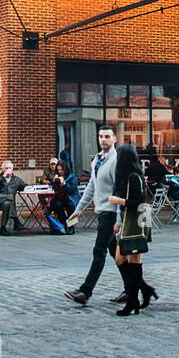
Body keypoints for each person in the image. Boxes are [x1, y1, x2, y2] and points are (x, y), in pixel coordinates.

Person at [64, 124, 120, 306]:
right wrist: (79, 208)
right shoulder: (97, 160)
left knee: (99, 251)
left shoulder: (116, 161)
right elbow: (91, 188)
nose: (103, 140)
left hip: (110, 213)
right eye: (100, 136)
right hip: (101, 211)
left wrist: (119, 219)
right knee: (116, 253)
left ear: (114, 139)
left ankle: (85, 291)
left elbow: (120, 191)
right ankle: (134, 287)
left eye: (107, 136)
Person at [107, 142, 157, 315]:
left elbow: (138, 201)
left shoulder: (134, 177)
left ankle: (133, 302)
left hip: (136, 222)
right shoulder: (128, 176)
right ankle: (144, 290)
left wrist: (117, 201)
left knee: (134, 262)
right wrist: (119, 221)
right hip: (129, 221)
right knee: (120, 259)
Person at [0, 160, 27, 236]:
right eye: (6, 168)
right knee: (10, 197)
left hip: (7, 204)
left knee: (7, 204)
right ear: (2, 169)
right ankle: (16, 221)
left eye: (10, 168)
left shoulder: (16, 180)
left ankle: (3, 228)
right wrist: (3, 177)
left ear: (12, 169)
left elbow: (25, 186)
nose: (8, 169)